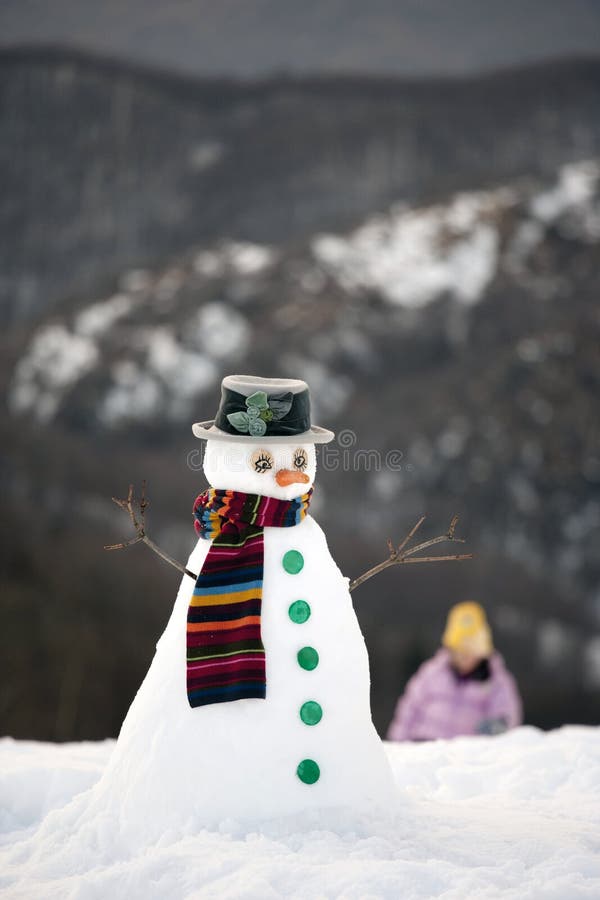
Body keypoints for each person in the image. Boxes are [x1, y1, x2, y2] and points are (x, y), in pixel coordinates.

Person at [387, 602, 522, 741]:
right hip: (423, 745)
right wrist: (399, 741)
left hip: (464, 753)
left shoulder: (495, 681)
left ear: (481, 651)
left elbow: (507, 713)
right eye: (459, 650)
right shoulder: (432, 673)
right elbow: (409, 709)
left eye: (470, 650)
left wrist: (499, 726)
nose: (464, 656)